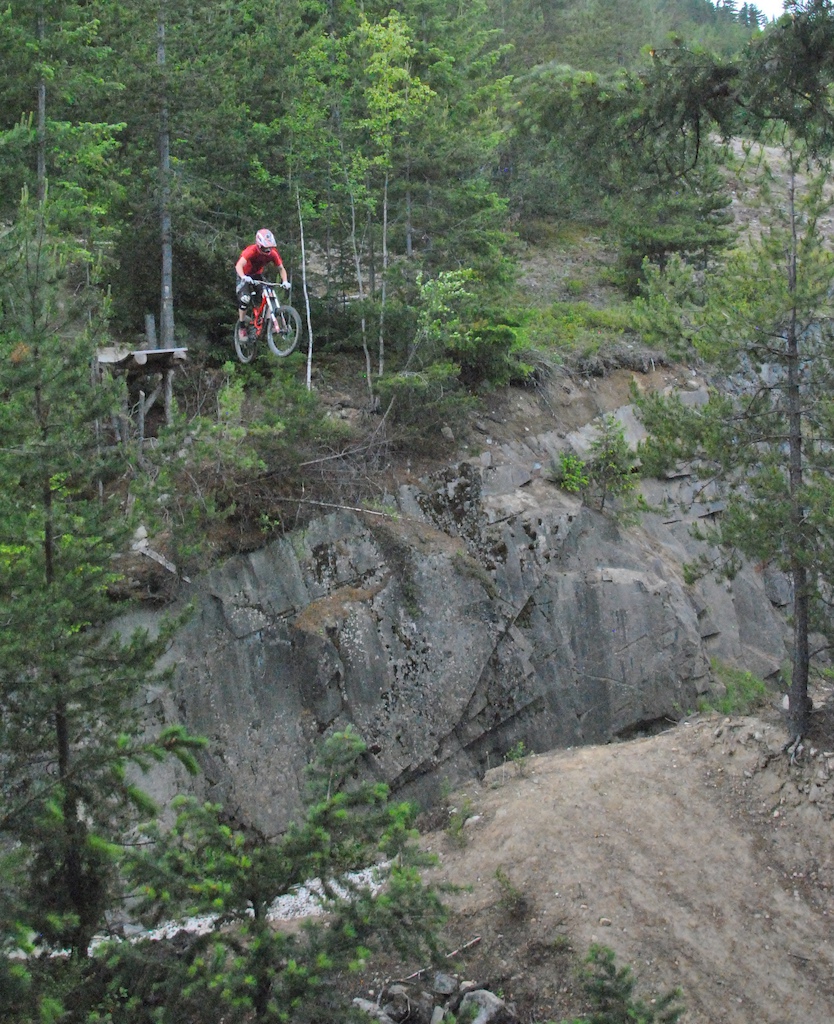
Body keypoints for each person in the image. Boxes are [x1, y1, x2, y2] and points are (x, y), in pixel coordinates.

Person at [235, 228, 290, 342]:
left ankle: (269, 322)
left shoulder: (273, 253)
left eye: (270, 248)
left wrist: (285, 281)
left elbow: (281, 268)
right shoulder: (251, 250)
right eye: (265, 248)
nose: (268, 250)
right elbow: (238, 265)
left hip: (256, 276)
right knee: (245, 299)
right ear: (259, 245)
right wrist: (243, 277)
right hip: (243, 275)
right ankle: (241, 327)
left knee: (269, 294)